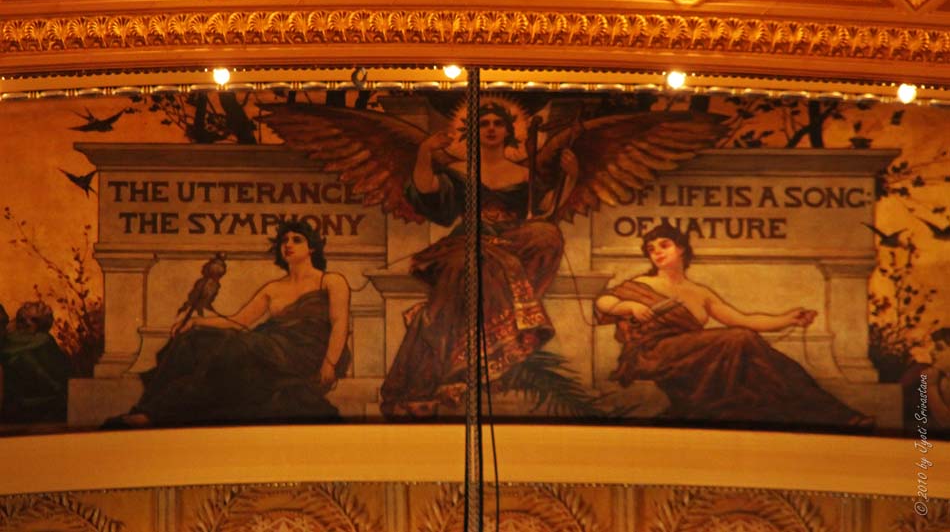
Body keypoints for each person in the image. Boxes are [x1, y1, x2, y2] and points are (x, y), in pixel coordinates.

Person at [380, 102, 578, 416]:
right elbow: (426, 191)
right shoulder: (458, 170)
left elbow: (545, 213)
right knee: (471, 264)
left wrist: (571, 178)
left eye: (497, 124)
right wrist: (424, 153)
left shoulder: (525, 175)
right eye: (483, 123)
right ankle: (461, 365)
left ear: (509, 132)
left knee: (546, 235)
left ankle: (489, 352)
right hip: (467, 241)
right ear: (473, 133)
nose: (490, 128)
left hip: (511, 241)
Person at [594, 221, 871, 429]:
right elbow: (602, 302)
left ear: (681, 249)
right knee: (738, 340)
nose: (656, 252)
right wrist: (628, 306)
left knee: (747, 346)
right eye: (651, 249)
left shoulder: (699, 292)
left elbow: (745, 320)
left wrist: (788, 319)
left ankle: (825, 412)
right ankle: (832, 414)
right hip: (653, 354)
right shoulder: (643, 285)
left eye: (664, 245)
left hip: (693, 356)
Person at [108, 220, 351, 428]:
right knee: (193, 340)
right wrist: (195, 322)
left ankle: (156, 412)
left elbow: (340, 323)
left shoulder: (331, 281)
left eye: (297, 239)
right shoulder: (273, 288)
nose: (288, 244)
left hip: (307, 352)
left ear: (311, 248)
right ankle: (147, 409)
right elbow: (239, 321)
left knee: (233, 346)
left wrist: (329, 363)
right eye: (284, 240)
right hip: (270, 347)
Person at [1, 301, 72, 423]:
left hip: (42, 399)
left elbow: (59, 373)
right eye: (22, 320)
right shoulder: (7, 340)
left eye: (34, 320)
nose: (27, 323)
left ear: (42, 323)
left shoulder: (45, 342)